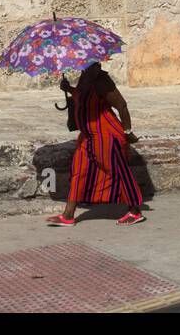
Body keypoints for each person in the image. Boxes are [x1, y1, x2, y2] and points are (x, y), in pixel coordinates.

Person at [47, 61, 145, 226]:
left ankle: (135, 211)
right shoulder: (85, 77)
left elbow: (121, 105)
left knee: (116, 172)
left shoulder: (102, 80)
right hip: (88, 136)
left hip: (106, 135)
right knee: (78, 171)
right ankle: (68, 215)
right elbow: (81, 96)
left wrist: (128, 132)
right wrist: (69, 89)